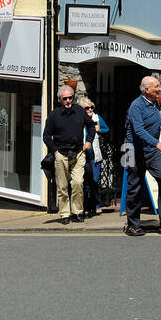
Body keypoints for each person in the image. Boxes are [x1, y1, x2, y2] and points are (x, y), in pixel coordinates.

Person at [123, 75, 161, 236]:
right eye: (156, 86)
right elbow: (138, 130)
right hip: (134, 150)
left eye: (159, 86)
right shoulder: (136, 106)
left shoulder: (155, 102)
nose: (159, 88)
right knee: (135, 187)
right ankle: (132, 225)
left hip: (152, 151)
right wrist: (158, 144)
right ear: (146, 89)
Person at [43, 84, 95, 224]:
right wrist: (55, 150)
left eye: (70, 98)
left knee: (78, 183)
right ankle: (65, 214)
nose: (68, 101)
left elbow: (91, 126)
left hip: (78, 152)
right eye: (65, 98)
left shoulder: (79, 110)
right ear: (60, 99)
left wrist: (89, 141)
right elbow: (46, 136)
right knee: (63, 186)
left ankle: (77, 212)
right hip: (61, 153)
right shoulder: (54, 115)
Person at [81, 98, 111, 216]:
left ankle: (96, 204)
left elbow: (106, 128)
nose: (90, 110)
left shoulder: (97, 118)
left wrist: (99, 129)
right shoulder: (80, 120)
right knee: (85, 182)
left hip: (95, 156)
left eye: (91, 107)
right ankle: (87, 206)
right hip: (83, 155)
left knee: (94, 180)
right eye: (87, 108)